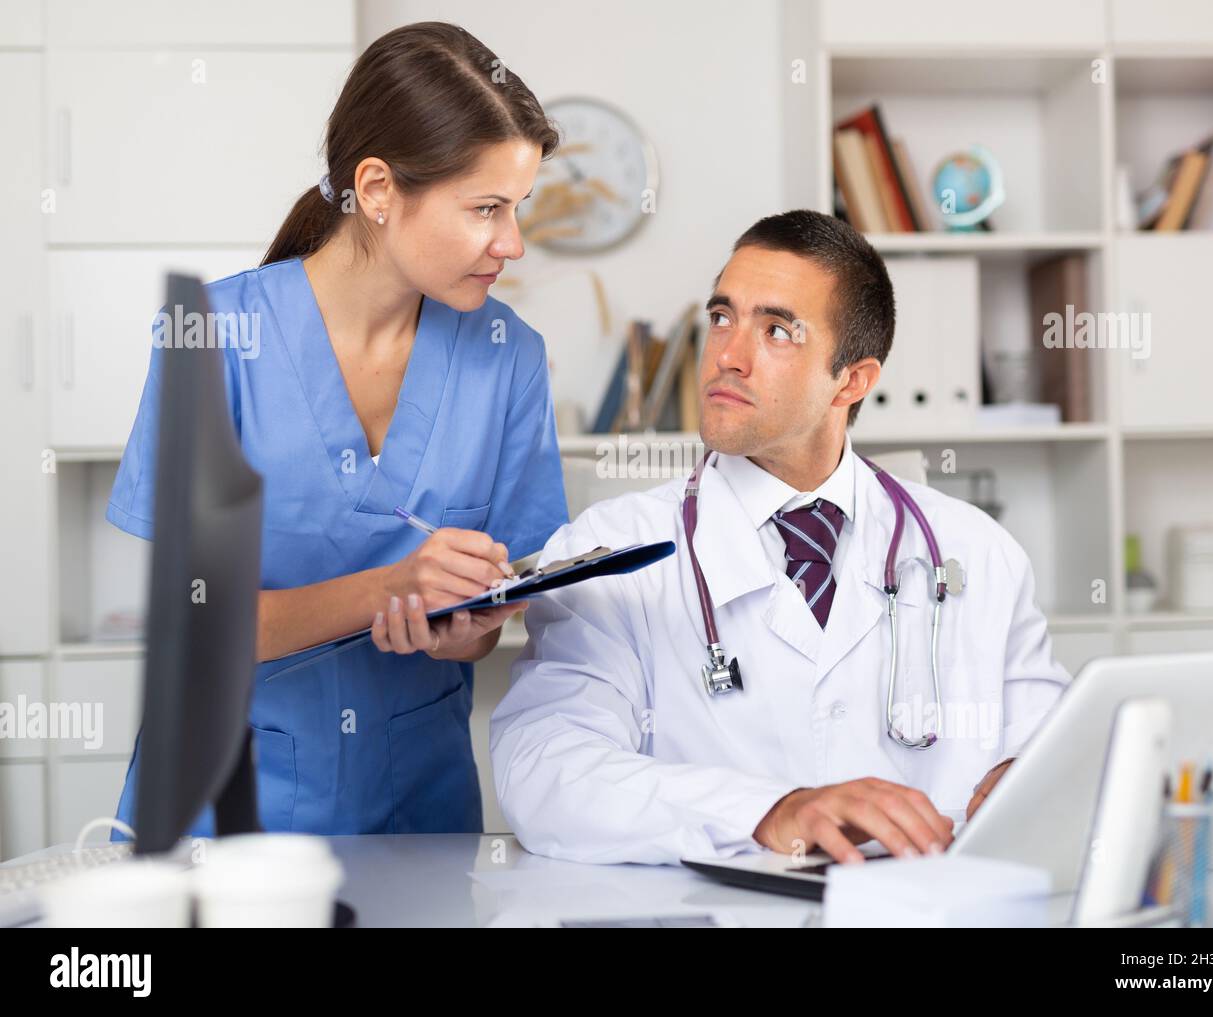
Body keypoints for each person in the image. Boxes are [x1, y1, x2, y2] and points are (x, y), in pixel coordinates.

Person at [490, 210, 1070, 865]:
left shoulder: (978, 552)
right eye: (720, 317)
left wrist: (1032, 782)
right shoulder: (611, 547)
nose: (727, 356)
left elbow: (1059, 753)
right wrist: (767, 810)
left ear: (852, 380)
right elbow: (545, 769)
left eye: (776, 330)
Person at [108, 22, 567, 836]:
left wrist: (461, 629)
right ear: (380, 190)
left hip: (418, 804)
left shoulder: (509, 358)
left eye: (517, 207)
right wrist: (383, 591)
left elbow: (487, 633)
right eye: (486, 208)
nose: (513, 243)